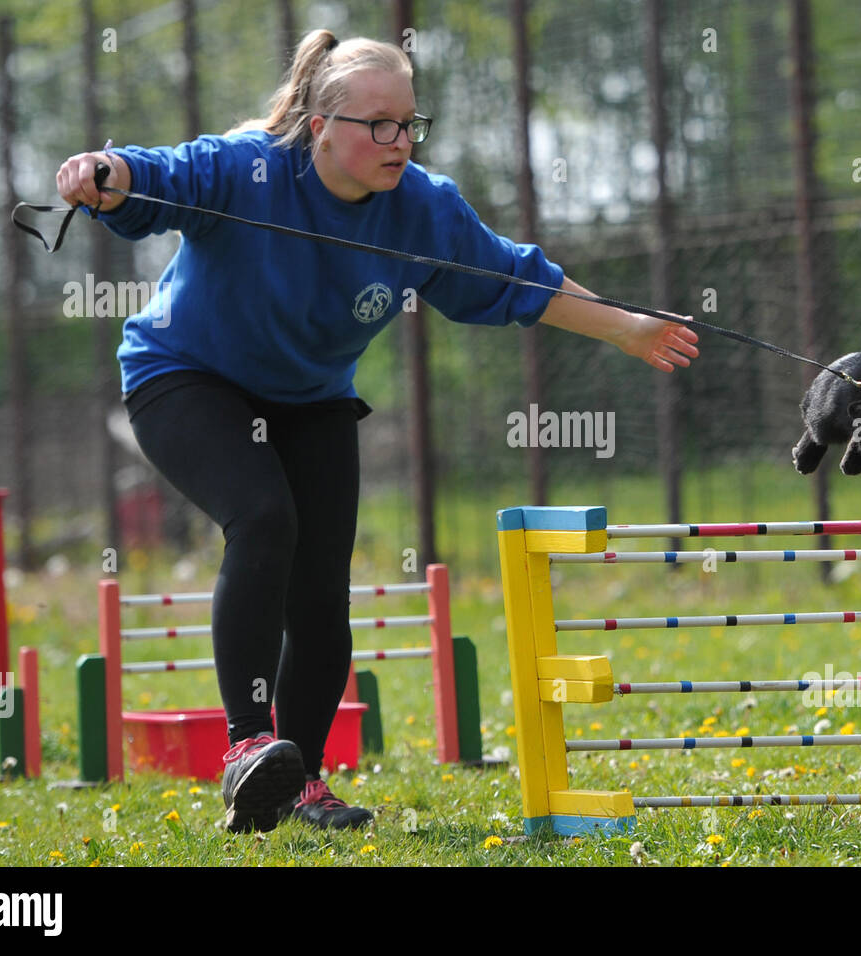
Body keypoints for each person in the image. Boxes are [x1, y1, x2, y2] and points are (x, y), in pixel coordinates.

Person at [56, 30, 698, 833]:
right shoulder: (250, 165)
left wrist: (628, 327)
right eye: (379, 125)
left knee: (321, 590)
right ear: (322, 125)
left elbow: (513, 275)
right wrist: (104, 175)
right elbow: (158, 177)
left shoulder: (424, 207)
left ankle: (296, 782)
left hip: (310, 395)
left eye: (410, 124)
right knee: (263, 520)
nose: (400, 142)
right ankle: (247, 746)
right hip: (187, 375)